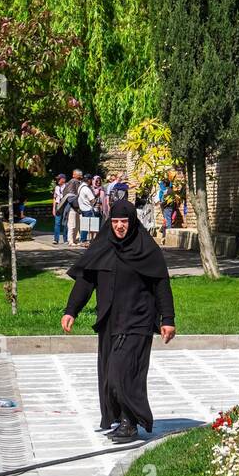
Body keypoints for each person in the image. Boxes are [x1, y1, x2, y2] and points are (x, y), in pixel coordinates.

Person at [61, 201, 176, 443]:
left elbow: (161, 284)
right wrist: (71, 310)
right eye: (115, 222)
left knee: (121, 372)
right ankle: (125, 419)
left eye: (124, 222)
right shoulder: (103, 246)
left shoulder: (147, 249)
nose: (120, 226)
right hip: (110, 320)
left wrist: (168, 319)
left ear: (132, 221)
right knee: (110, 374)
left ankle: (130, 422)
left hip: (138, 319)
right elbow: (85, 281)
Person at [61, 170, 83, 245]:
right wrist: (76, 205)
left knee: (77, 225)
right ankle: (70, 241)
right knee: (72, 225)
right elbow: (70, 196)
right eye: (74, 174)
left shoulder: (79, 182)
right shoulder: (73, 181)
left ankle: (75, 240)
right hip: (72, 207)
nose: (73, 175)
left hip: (77, 207)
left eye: (74, 174)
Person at [78, 174, 99, 247]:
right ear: (89, 180)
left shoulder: (80, 187)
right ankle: (84, 240)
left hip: (82, 208)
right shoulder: (86, 189)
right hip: (88, 209)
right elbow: (93, 200)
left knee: (84, 225)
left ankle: (83, 240)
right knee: (89, 226)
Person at [52, 174, 67, 245]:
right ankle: (56, 239)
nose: (57, 180)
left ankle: (65, 239)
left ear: (63, 179)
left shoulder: (67, 187)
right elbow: (54, 198)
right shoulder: (56, 187)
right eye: (57, 179)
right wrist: (53, 208)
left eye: (59, 179)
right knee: (57, 223)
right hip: (58, 206)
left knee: (65, 223)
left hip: (64, 205)